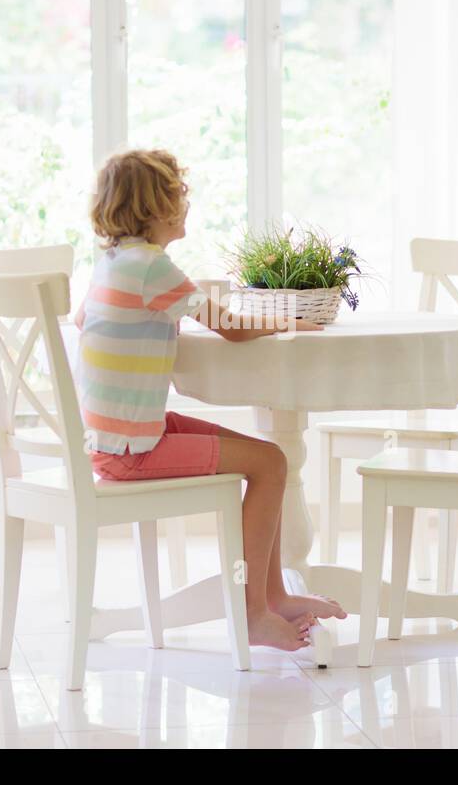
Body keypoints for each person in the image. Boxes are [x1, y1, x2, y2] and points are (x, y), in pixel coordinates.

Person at [73, 148, 348, 651]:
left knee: (272, 458)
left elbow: (81, 320)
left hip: (118, 437)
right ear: (156, 209)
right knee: (270, 463)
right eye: (178, 196)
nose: (185, 206)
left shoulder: (112, 262)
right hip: (131, 450)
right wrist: (292, 321)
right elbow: (234, 330)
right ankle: (253, 614)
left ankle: (274, 598)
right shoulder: (150, 266)